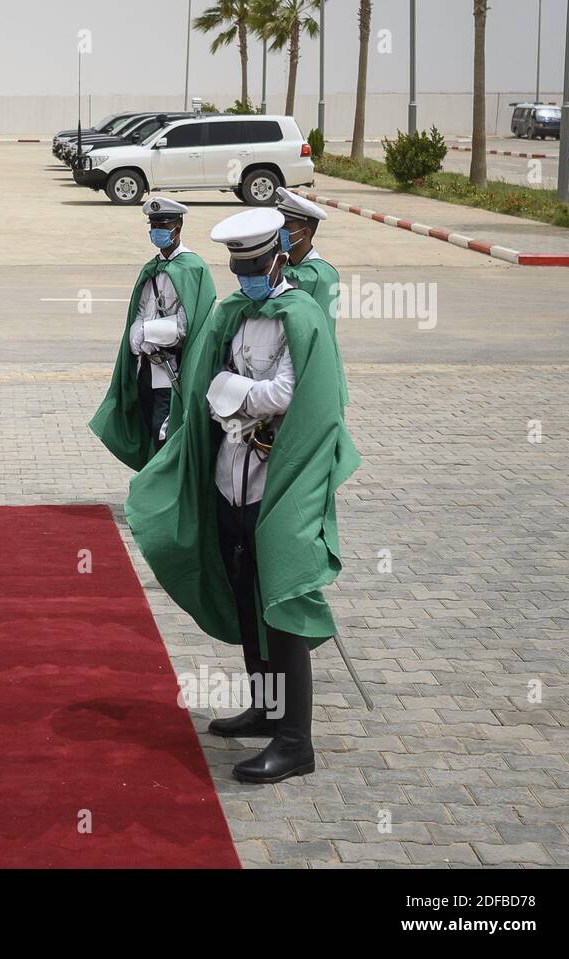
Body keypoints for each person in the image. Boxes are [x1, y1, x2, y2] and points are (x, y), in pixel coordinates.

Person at [125, 208, 358, 784]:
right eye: (238, 266)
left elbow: (289, 394)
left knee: (280, 603)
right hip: (231, 475)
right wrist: (233, 395)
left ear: (278, 255)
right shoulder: (232, 313)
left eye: (254, 264)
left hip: (281, 482)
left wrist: (233, 390)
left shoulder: (300, 316)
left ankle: (294, 741)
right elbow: (205, 386)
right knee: (246, 599)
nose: (245, 275)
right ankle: (265, 708)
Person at [90, 197, 217, 467]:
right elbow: (140, 311)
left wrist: (148, 332)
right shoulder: (153, 268)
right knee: (149, 428)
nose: (158, 229)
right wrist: (138, 334)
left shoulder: (192, 268)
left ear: (178, 227)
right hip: (146, 368)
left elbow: (186, 324)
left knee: (165, 435)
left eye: (165, 224)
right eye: (154, 225)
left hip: (173, 370)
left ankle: (163, 495)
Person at [276, 187, 348, 408]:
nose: (279, 233)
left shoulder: (319, 275)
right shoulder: (286, 266)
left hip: (314, 368)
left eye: (286, 227)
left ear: (305, 233)